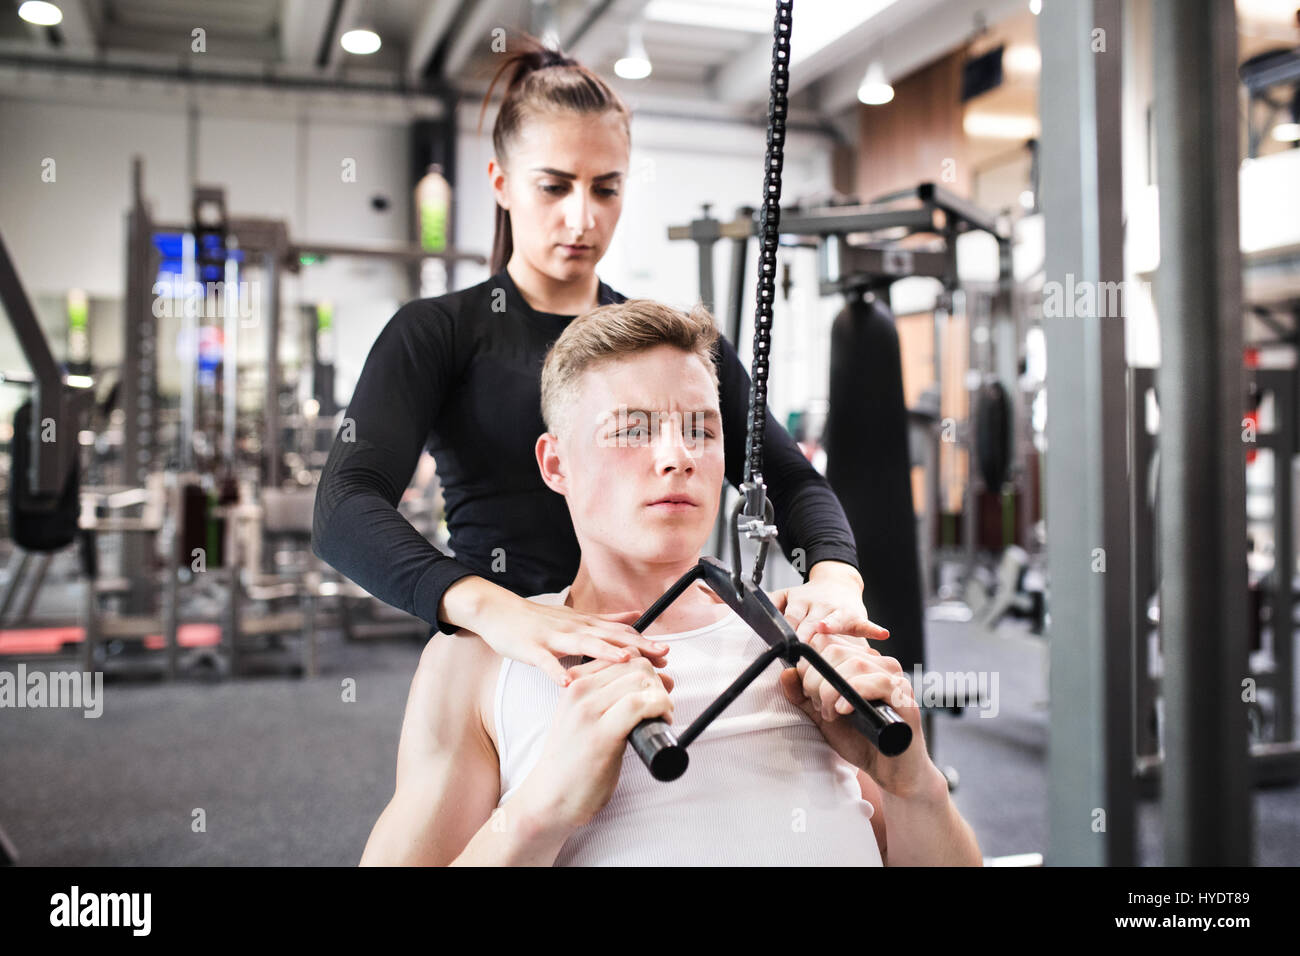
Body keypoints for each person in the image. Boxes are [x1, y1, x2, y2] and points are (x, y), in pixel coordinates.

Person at [312, 33, 886, 687]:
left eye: (605, 190)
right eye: (554, 187)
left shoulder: (670, 344)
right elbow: (344, 506)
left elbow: (792, 480)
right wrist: (496, 611)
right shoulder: (437, 332)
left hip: (661, 650)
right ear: (500, 183)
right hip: (510, 655)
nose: (581, 218)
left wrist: (835, 574)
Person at [359, 300, 981, 866]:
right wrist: (536, 813)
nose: (677, 456)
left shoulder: (806, 645)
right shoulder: (477, 663)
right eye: (631, 429)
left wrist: (914, 787)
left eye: (702, 430)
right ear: (556, 464)